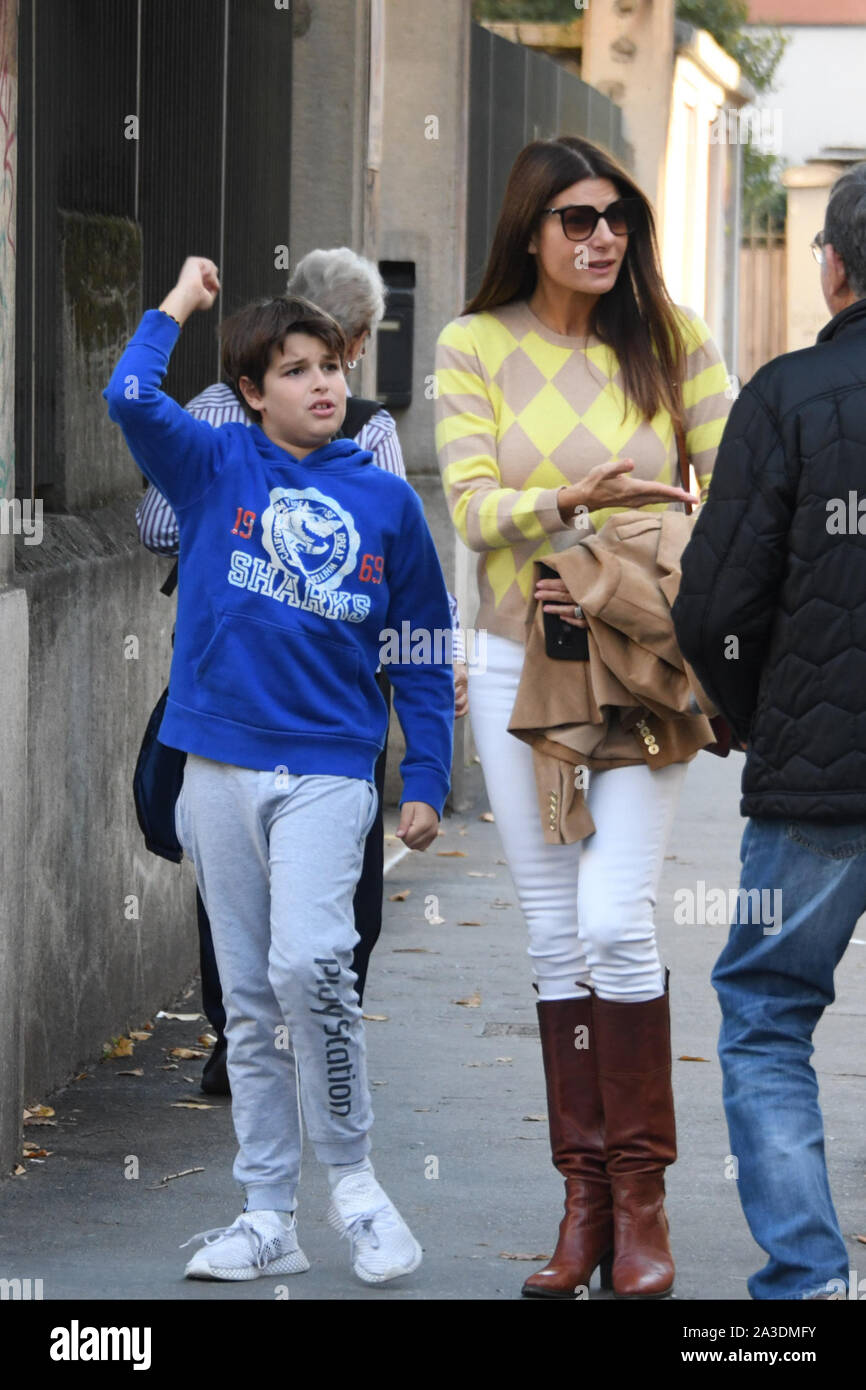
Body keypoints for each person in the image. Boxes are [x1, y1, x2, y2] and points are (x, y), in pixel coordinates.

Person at [106, 257, 454, 1285]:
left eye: (331, 367)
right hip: (216, 762)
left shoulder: (386, 503)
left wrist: (424, 776)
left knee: (313, 967)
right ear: (252, 393)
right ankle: (266, 1212)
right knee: (249, 1002)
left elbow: (423, 645)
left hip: (328, 770)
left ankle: (352, 1185)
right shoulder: (214, 466)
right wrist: (178, 303)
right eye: (294, 370)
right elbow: (128, 394)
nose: (321, 384)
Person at [434, 136, 731, 1299]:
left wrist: (646, 553)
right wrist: (572, 498)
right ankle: (585, 1207)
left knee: (613, 920)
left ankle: (644, 1204)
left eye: (614, 216)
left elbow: (739, 489)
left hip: (643, 670)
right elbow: (467, 507)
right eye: (574, 219)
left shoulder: (673, 341)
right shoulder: (473, 347)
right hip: (516, 662)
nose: (600, 236)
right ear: (528, 231)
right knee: (554, 937)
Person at [673, 165, 866, 1301]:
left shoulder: (786, 396)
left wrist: (747, 713)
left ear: (831, 267)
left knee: (762, 1014)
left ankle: (807, 1284)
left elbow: (710, 605)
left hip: (812, 790)